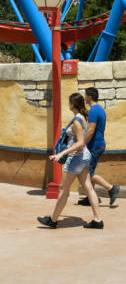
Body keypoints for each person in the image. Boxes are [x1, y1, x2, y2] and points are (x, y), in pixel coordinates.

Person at [37, 92, 103, 229]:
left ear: (72, 104)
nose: (68, 104)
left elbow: (80, 142)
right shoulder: (83, 117)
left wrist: (61, 153)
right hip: (84, 157)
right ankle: (98, 220)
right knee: (88, 188)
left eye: (69, 102)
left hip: (76, 158)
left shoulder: (77, 121)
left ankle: (53, 220)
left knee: (63, 189)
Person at [78, 87, 119, 209]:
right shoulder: (99, 109)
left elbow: (91, 130)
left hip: (94, 145)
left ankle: (111, 188)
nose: (85, 98)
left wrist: (82, 143)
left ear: (89, 96)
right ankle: (90, 197)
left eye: (85, 95)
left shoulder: (94, 110)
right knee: (88, 170)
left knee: (88, 173)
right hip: (97, 144)